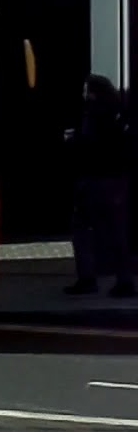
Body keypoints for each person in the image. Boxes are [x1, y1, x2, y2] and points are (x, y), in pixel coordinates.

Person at [64, 74, 136, 297]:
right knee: (117, 233)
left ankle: (87, 279)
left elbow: (89, 147)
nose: (83, 94)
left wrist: (72, 140)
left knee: (81, 229)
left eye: (86, 90)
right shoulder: (119, 114)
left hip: (95, 180)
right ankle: (124, 281)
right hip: (117, 181)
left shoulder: (93, 115)